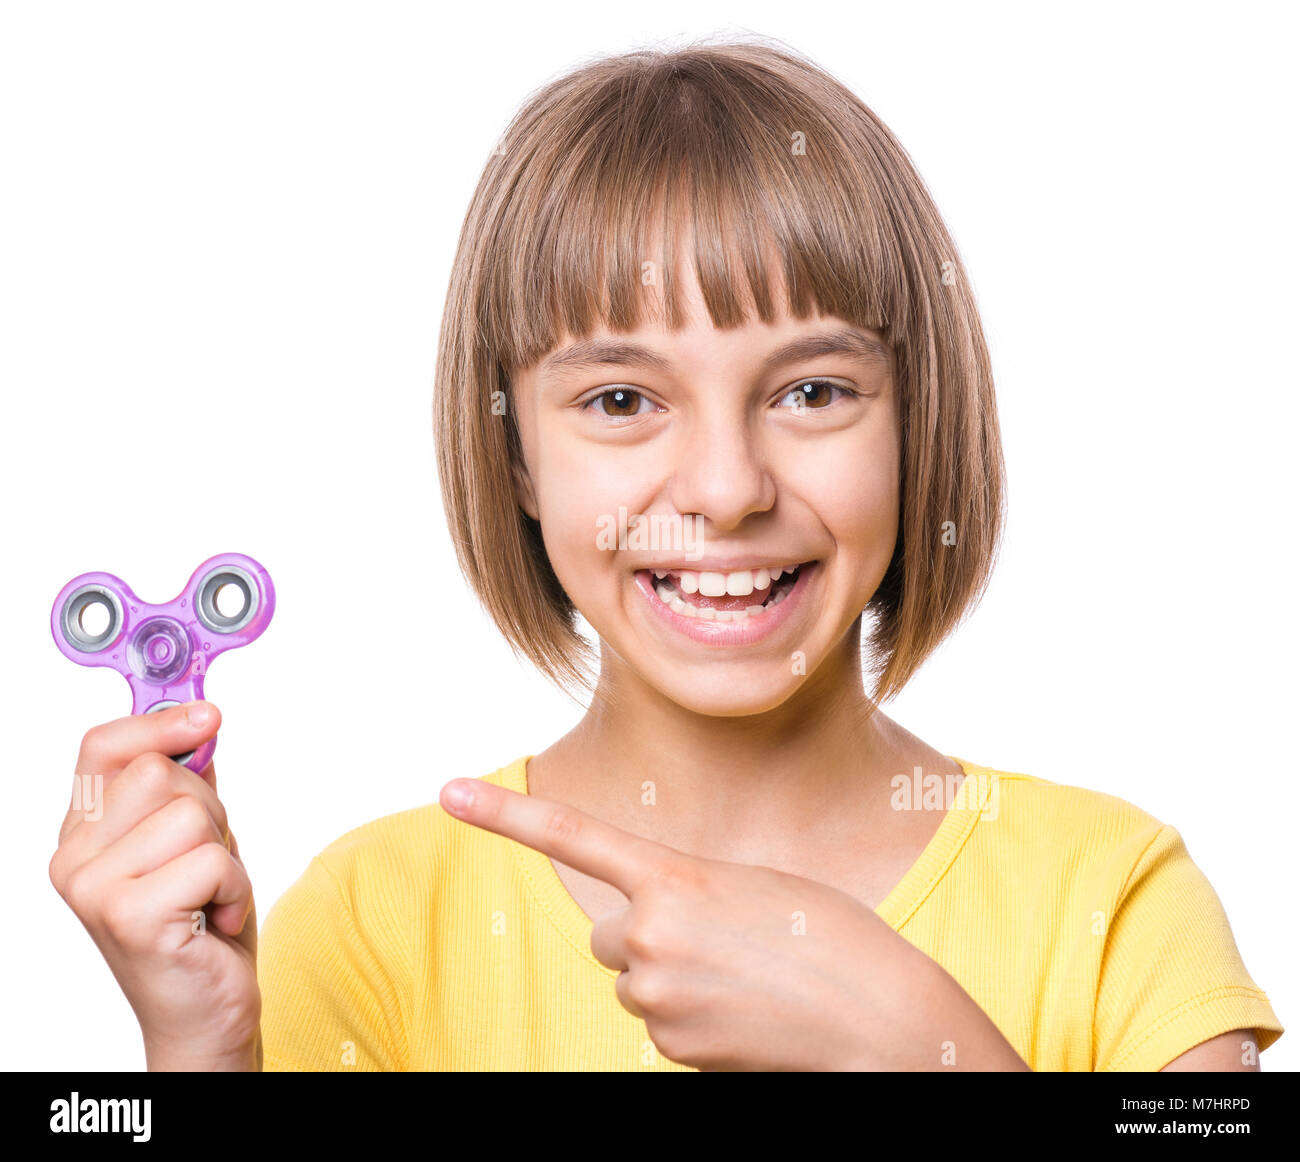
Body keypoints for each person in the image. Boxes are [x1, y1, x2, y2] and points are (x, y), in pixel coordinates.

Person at [51, 36, 1284, 1072]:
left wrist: (915, 1041)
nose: (724, 489)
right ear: (518, 457)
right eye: (621, 402)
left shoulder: (1121, 903)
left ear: (920, 423)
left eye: (810, 391)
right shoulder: (374, 923)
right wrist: (201, 1057)